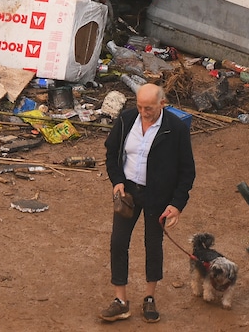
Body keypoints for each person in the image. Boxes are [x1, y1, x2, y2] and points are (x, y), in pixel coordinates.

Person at [101, 83, 195, 323]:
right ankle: (120, 301)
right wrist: (117, 181)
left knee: (153, 245)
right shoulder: (126, 119)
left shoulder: (176, 129)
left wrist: (177, 204)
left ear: (162, 104)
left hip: (159, 196)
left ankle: (149, 298)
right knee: (118, 243)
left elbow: (187, 171)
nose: (144, 112)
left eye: (149, 108)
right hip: (129, 193)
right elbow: (111, 153)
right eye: (140, 106)